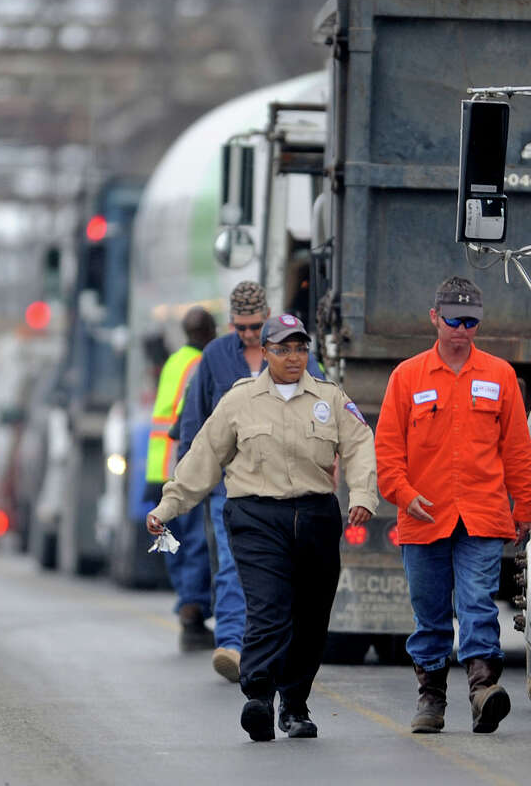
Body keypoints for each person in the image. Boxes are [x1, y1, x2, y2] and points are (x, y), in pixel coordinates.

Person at [148, 314, 376, 741]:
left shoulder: (329, 397)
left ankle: (294, 705)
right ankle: (258, 696)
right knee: (269, 607)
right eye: (284, 349)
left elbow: (361, 445)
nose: (294, 357)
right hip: (256, 517)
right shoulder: (240, 400)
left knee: (310, 617)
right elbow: (203, 456)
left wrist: (363, 496)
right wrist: (169, 505)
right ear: (266, 353)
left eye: (300, 349)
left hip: (314, 517)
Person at [373, 276, 531, 735]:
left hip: (482, 513)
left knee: (478, 603)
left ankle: (483, 690)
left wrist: (524, 505)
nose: (462, 330)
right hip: (424, 517)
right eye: (453, 321)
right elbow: (386, 453)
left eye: (471, 322)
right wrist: (406, 496)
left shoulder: (500, 375)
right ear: (434, 318)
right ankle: (431, 699)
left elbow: (517, 449)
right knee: (429, 611)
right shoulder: (407, 378)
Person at [176, 281, 325, 684]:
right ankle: (231, 646)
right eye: (240, 327)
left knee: (284, 571)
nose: (246, 334)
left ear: (268, 318)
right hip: (232, 487)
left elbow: (328, 406)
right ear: (230, 323)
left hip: (289, 488)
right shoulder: (214, 358)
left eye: (254, 326)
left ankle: (275, 647)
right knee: (231, 564)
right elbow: (194, 423)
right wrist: (183, 483)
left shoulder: (294, 354)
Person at [144, 306, 218, 651]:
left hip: (159, 467)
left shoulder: (176, 361)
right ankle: (192, 608)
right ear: (207, 333)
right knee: (195, 542)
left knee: (174, 541)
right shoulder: (201, 364)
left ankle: (189, 607)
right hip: (182, 467)